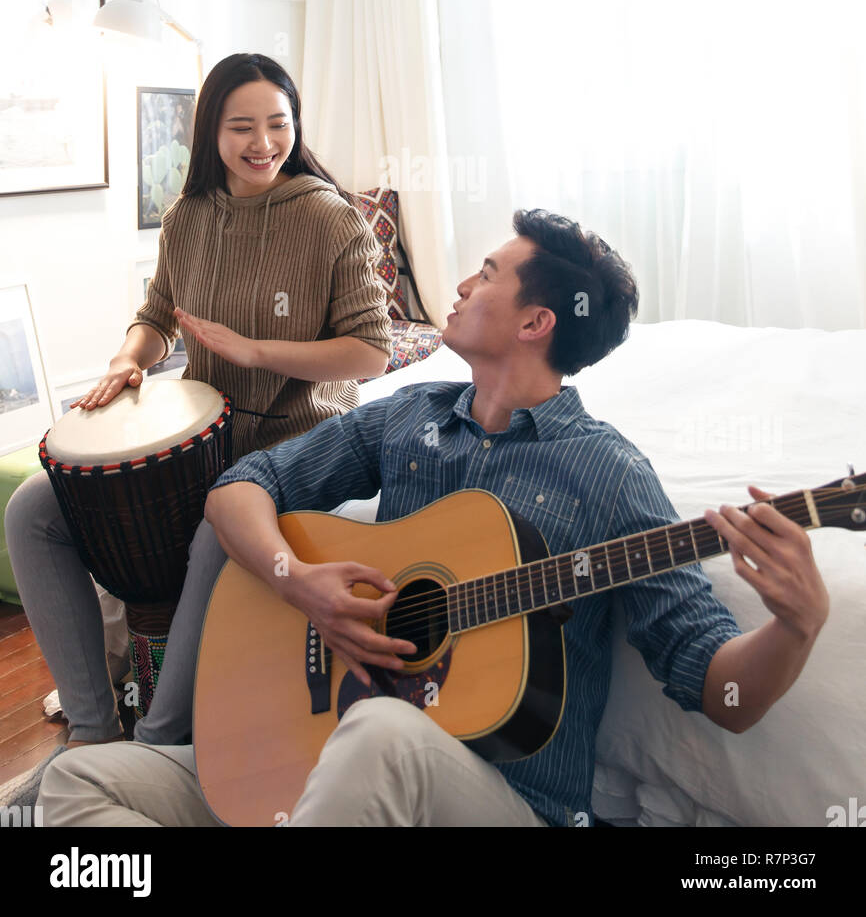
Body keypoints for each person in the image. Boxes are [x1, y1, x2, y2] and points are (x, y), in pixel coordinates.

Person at [38, 209, 829, 828]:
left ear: (535, 323)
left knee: (382, 735)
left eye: (486, 274)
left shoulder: (608, 475)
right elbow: (240, 488)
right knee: (78, 780)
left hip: (496, 799)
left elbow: (717, 686)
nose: (460, 286)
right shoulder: (409, 415)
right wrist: (299, 580)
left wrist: (796, 627)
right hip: (318, 766)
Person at [4, 52, 391, 771]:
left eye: (278, 123)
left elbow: (371, 352)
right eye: (242, 127)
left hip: (298, 439)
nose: (263, 143)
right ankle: (93, 727)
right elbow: (158, 315)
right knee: (32, 511)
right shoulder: (187, 217)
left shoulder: (331, 219)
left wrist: (257, 351)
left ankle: (158, 745)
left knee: (222, 523)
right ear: (209, 131)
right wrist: (129, 357)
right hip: (205, 434)